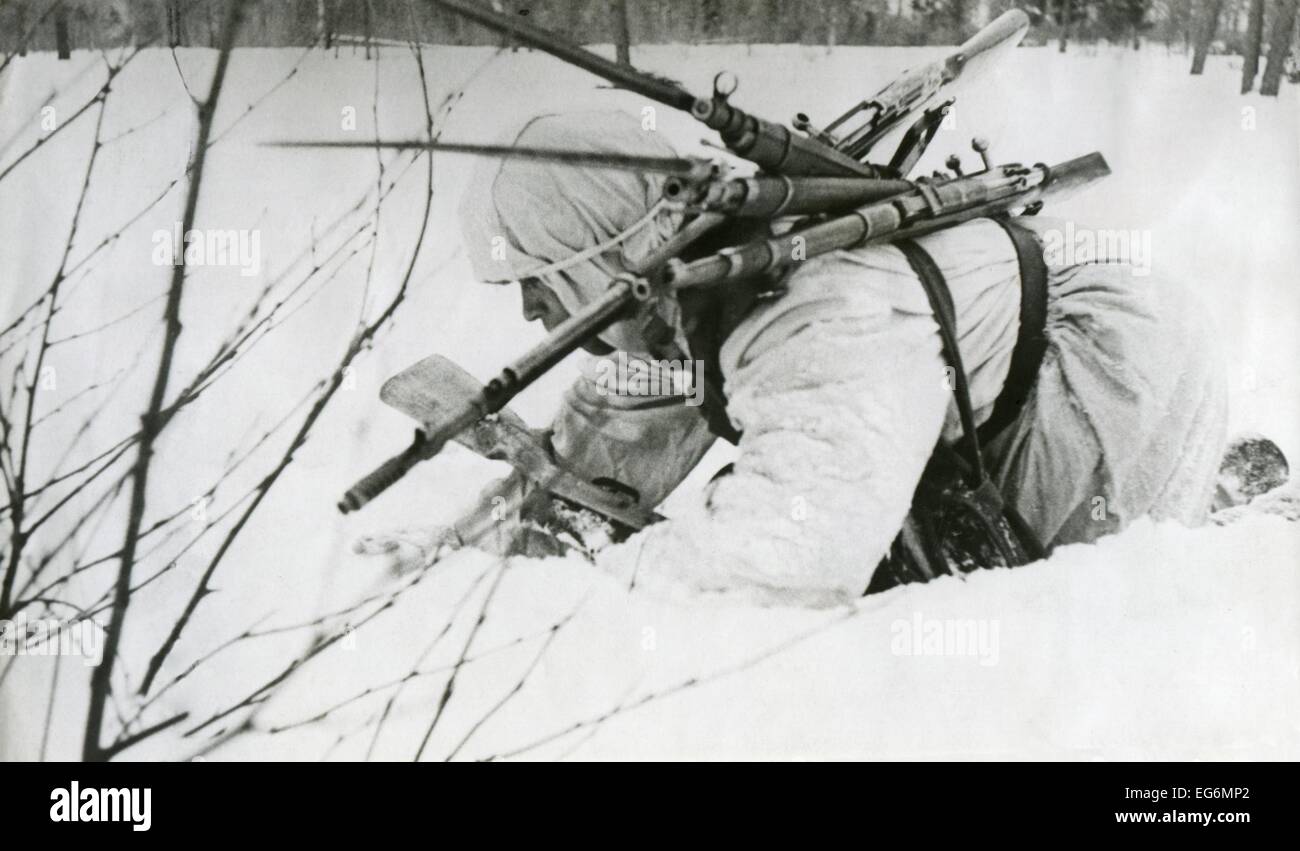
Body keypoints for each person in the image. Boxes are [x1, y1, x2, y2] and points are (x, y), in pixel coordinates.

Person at [448, 110, 1228, 607]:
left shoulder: (814, 322)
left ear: (597, 250)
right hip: (1053, 344)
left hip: (1120, 377)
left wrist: (581, 604)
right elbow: (624, 411)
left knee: (980, 607)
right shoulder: (701, 274)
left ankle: (1205, 507)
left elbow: (786, 563)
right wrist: (485, 544)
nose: (530, 312)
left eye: (537, 278)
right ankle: (1206, 493)